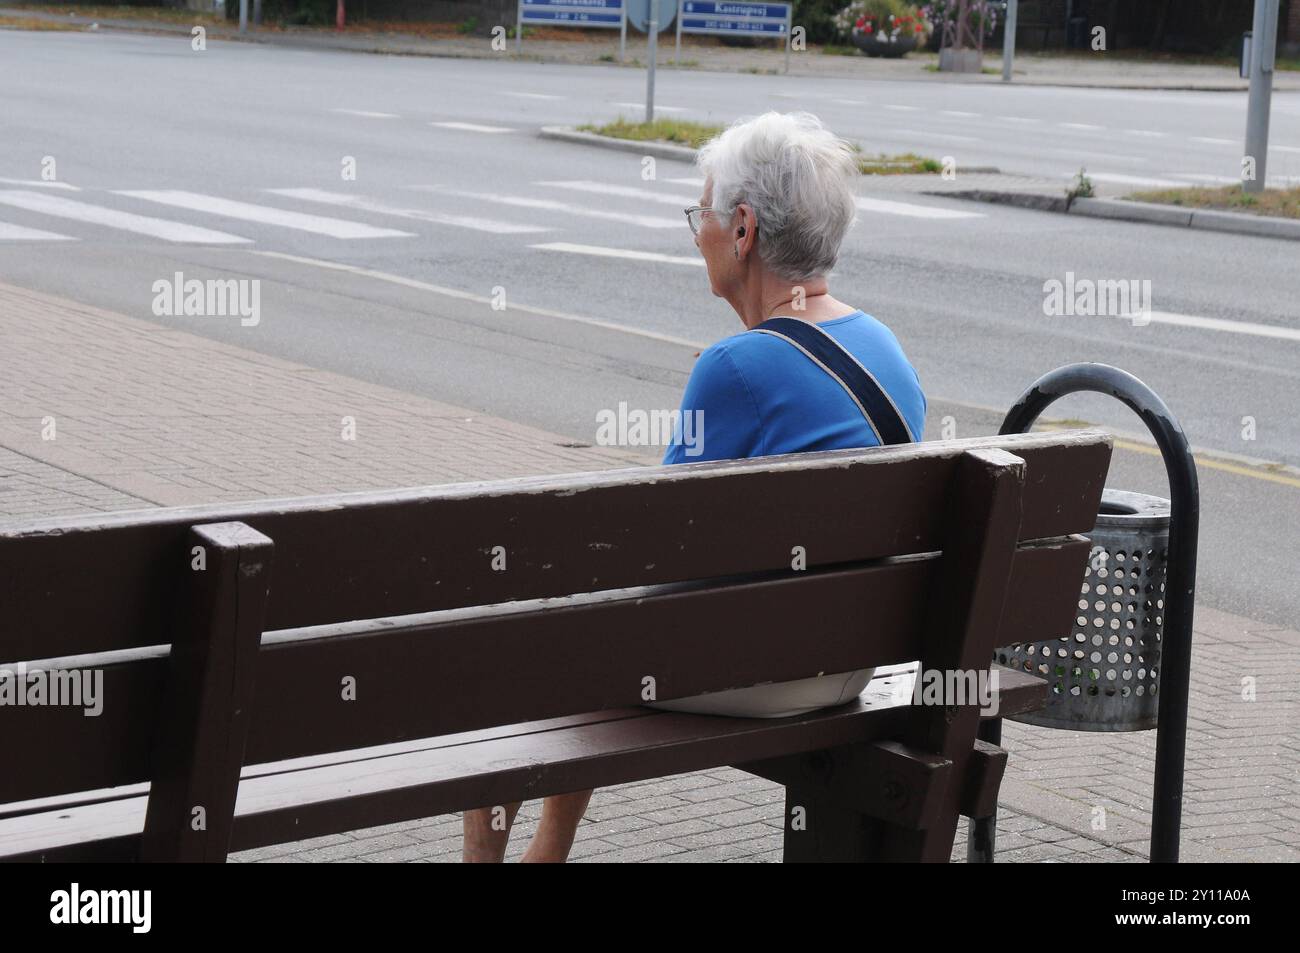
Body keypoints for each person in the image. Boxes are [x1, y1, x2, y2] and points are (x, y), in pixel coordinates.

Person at [462, 111, 926, 863]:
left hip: (766, 673)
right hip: (854, 661)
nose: (698, 233)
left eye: (701, 215)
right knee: (575, 622)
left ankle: (501, 855)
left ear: (743, 230)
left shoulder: (735, 367)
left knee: (521, 637)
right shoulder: (885, 349)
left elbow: (654, 554)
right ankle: (546, 850)